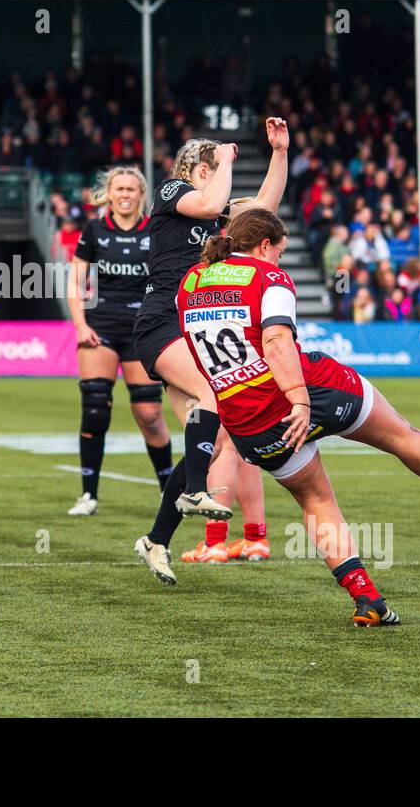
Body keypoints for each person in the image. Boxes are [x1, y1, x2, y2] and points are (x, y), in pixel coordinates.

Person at [172, 210, 420, 622]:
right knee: (402, 437)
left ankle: (367, 600)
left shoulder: (190, 283)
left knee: (315, 500)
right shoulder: (269, 278)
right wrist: (299, 400)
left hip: (249, 420)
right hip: (307, 390)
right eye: (279, 251)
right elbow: (276, 340)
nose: (279, 259)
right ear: (264, 247)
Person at [132, 121, 289, 584]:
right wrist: (221, 159)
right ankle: (196, 491)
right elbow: (211, 201)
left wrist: (279, 153)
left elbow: (264, 211)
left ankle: (156, 540)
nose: (221, 175)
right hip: (161, 321)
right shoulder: (172, 191)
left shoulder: (214, 212)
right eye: (214, 168)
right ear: (198, 168)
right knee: (213, 395)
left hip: (191, 327)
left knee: (212, 438)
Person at [65, 167, 173, 516]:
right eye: (118, 188)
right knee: (95, 409)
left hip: (143, 330)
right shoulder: (95, 230)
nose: (124, 194)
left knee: (150, 415)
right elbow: (75, 282)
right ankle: (88, 496)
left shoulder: (154, 230)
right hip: (102, 328)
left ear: (141, 194)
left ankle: (167, 491)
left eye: (131, 188)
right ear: (109, 194)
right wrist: (80, 324)